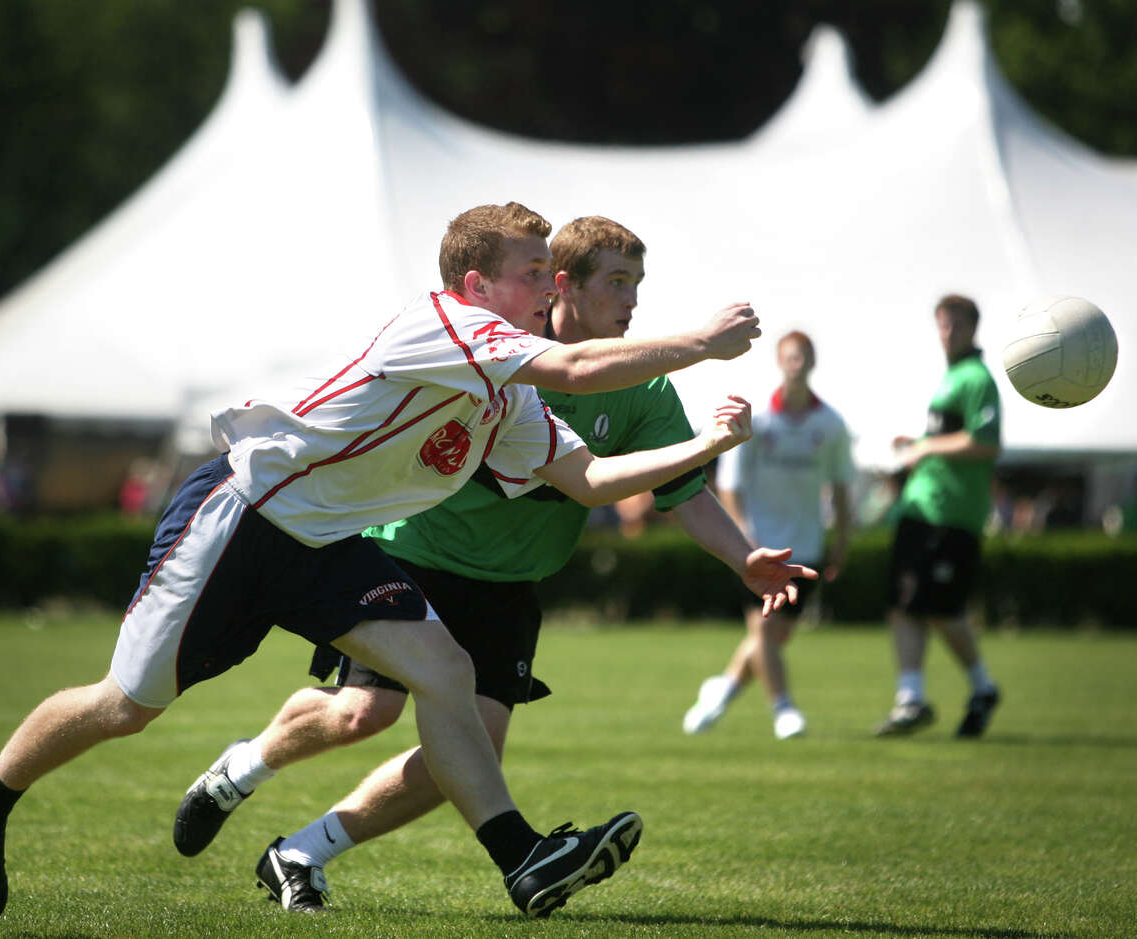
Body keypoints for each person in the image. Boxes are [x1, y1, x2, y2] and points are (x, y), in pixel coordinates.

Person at [0, 201, 778, 922]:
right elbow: (567, 366)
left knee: (445, 669)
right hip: (243, 518)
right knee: (128, 704)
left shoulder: (508, 392)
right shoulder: (443, 324)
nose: (547, 287)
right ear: (476, 285)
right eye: (533, 272)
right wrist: (701, 344)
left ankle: (522, 858)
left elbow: (589, 479)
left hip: (324, 547)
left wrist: (706, 443)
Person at [169, 215, 817, 914]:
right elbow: (571, 379)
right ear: (563, 285)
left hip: (510, 584)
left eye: (637, 284)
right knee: (364, 712)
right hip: (417, 554)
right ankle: (239, 770)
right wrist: (701, 345)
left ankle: (302, 851)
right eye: (617, 283)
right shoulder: (501, 348)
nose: (631, 301)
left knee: (471, 757)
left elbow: (681, 496)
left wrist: (744, 558)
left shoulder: (644, 388)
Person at [682, 330, 853, 739]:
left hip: (806, 546)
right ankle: (784, 710)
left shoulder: (830, 424)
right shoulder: (758, 419)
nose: (797, 364)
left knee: (775, 635)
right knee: (763, 633)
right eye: (790, 357)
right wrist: (742, 536)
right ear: (780, 361)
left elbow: (842, 489)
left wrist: (842, 542)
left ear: (813, 362)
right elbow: (729, 483)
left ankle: (722, 689)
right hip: (758, 547)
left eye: (804, 357)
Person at [874, 294, 1002, 738]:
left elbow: (986, 442)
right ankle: (910, 699)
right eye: (943, 325)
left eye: (957, 325)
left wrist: (926, 447)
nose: (949, 333)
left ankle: (983, 686)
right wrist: (918, 442)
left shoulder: (977, 377)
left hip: (954, 514)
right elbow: (950, 438)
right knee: (903, 603)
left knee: (943, 609)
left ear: (973, 328)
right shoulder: (950, 377)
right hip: (920, 509)